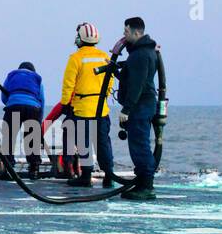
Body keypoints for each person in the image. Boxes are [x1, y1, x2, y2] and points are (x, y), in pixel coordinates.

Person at [60, 22, 115, 188]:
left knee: (84, 143)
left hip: (82, 108)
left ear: (81, 38)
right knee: (103, 143)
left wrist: (64, 104)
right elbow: (110, 81)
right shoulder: (105, 57)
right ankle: (109, 176)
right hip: (101, 109)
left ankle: (86, 176)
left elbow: (68, 84)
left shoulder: (75, 58)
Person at [115, 17, 159, 201]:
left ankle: (146, 186)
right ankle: (142, 182)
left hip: (140, 107)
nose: (124, 36)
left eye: (126, 32)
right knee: (138, 145)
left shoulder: (141, 55)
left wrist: (126, 109)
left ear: (137, 32)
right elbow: (133, 77)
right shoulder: (143, 53)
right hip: (143, 105)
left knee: (140, 145)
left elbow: (137, 85)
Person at [0, 62, 44, 180]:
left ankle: (8, 167)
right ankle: (34, 168)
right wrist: (39, 119)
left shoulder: (12, 75)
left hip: (14, 105)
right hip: (33, 108)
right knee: (31, 138)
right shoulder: (36, 78)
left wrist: (11, 103)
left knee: (9, 137)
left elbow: (3, 96)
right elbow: (41, 99)